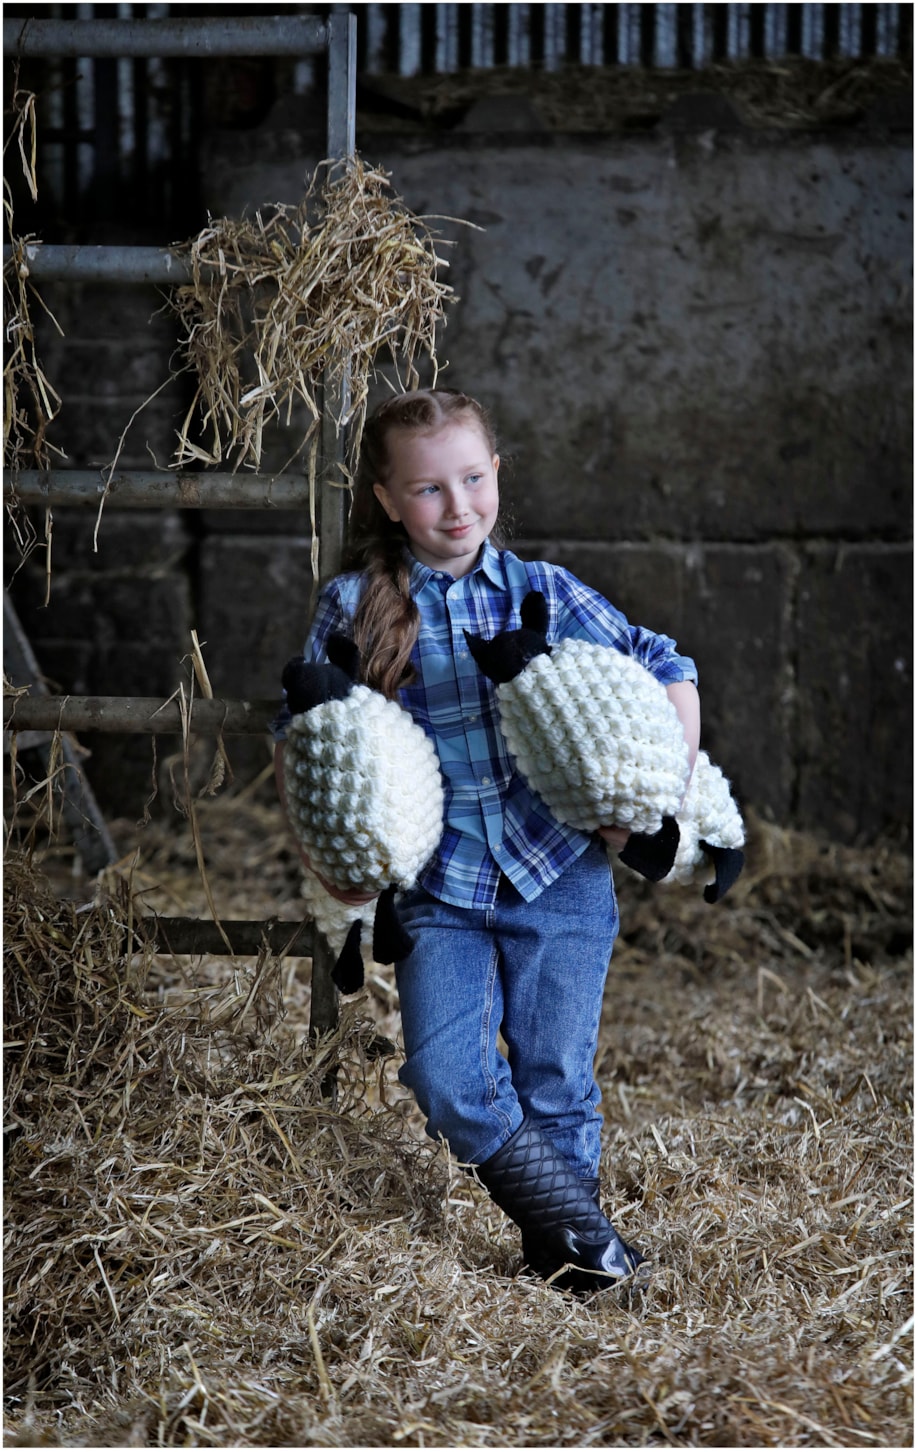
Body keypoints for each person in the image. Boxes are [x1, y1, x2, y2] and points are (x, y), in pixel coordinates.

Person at [274, 388, 700, 1294]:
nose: (457, 507)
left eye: (473, 479)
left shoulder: (544, 592)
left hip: (560, 874)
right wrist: (338, 863)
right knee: (445, 1075)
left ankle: (570, 1264)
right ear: (387, 499)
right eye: (428, 490)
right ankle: (580, 1229)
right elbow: (310, 737)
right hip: (442, 893)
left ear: (496, 474)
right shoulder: (355, 605)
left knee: (554, 1078)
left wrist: (657, 788)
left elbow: (667, 662)